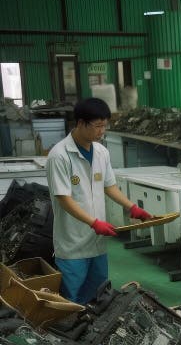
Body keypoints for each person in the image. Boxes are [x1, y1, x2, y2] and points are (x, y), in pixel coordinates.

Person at [46, 97, 152, 304]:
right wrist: (93, 223)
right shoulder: (59, 156)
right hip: (72, 243)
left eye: (105, 125)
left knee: (98, 295)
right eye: (97, 126)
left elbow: (109, 186)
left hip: (98, 242)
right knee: (72, 299)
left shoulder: (101, 152)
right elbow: (64, 200)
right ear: (80, 123)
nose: (102, 131)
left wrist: (131, 207)